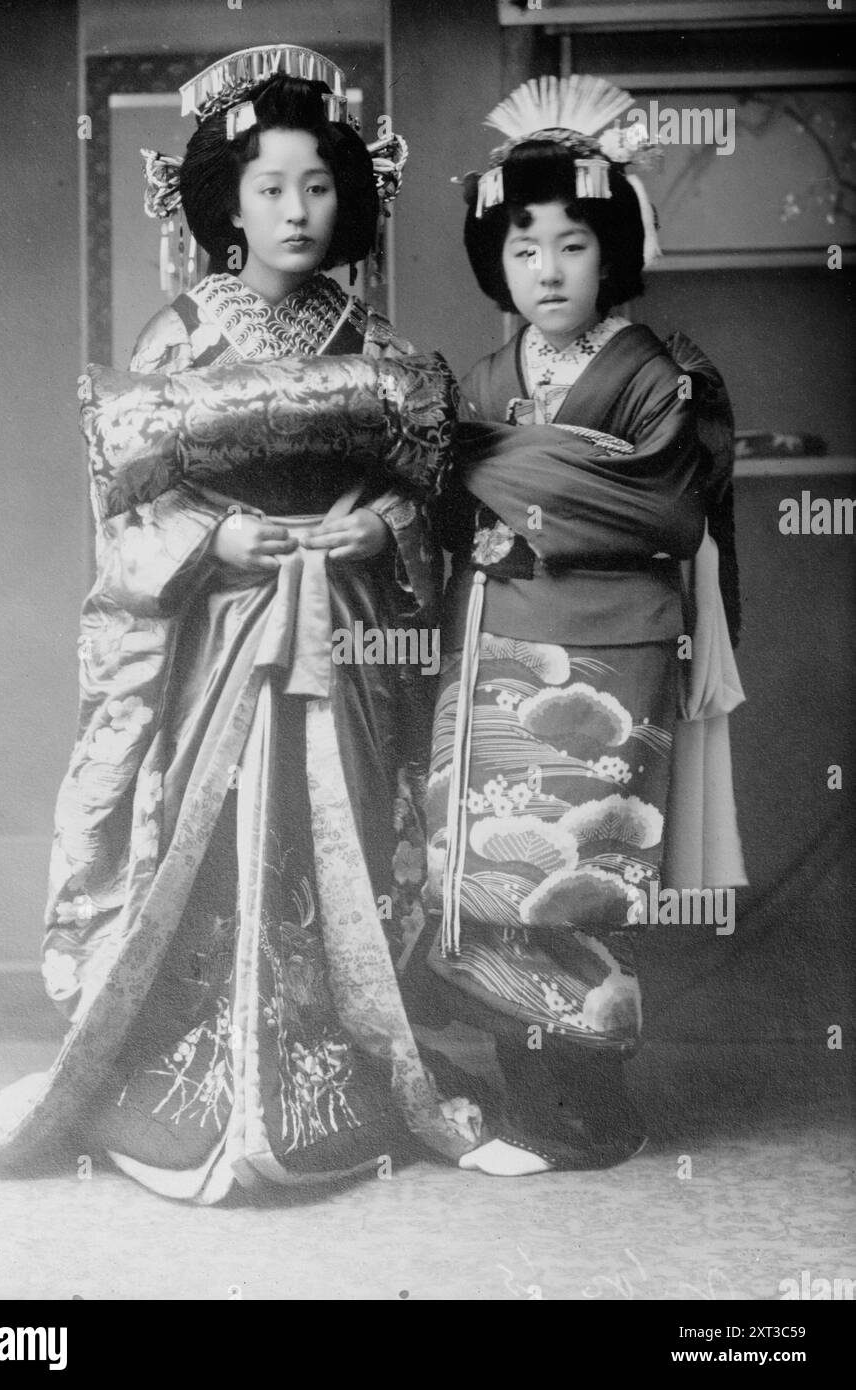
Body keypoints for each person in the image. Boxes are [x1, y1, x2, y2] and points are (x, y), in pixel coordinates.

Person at [0, 45, 481, 1202]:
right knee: (214, 825)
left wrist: (382, 530)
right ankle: (187, 1062)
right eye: (268, 189)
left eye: (315, 186)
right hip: (222, 627)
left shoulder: (379, 343)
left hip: (340, 626)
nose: (296, 210)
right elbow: (128, 501)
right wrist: (214, 544)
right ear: (226, 208)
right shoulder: (180, 335)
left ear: (345, 196)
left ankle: (331, 1061)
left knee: (333, 820)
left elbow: (427, 495)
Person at [412, 76, 746, 1177]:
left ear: (610, 251)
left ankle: (592, 1112)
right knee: (489, 884)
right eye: (520, 248)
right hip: (496, 635)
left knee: (580, 871)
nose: (544, 270)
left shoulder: (664, 373)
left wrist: (493, 461)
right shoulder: (487, 374)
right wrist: (517, 475)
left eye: (568, 245)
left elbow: (662, 503)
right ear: (495, 262)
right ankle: (530, 1105)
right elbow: (444, 500)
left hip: (608, 646)